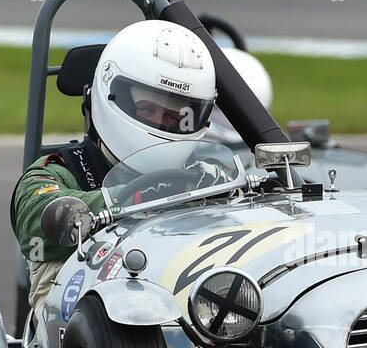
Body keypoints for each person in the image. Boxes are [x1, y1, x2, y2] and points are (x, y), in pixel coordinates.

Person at [11, 20, 217, 317]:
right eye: (148, 109)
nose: (162, 124)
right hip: (83, 335)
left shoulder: (206, 177)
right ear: (109, 93)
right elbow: (36, 221)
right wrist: (134, 197)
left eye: (176, 118)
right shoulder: (57, 172)